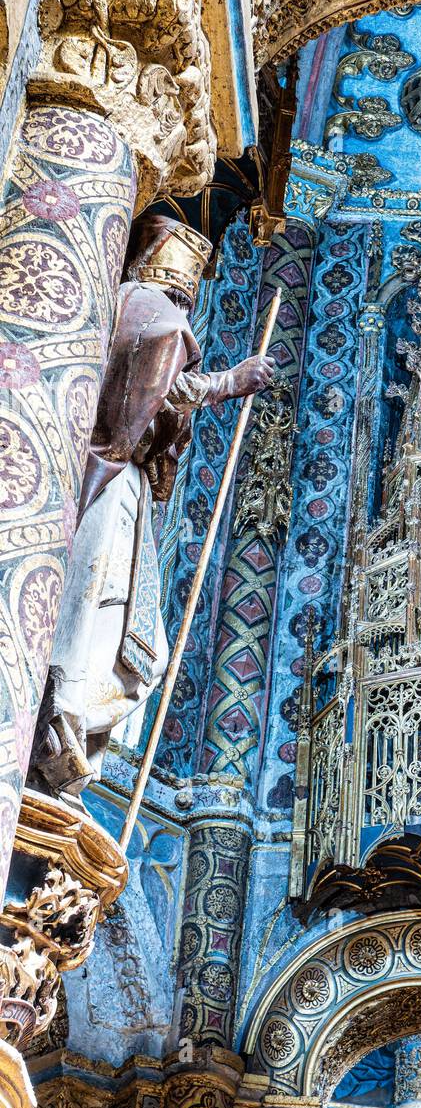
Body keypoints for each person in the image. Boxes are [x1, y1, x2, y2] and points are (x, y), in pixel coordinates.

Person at [30, 214, 274, 799]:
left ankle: (69, 735)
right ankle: (54, 719)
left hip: (128, 485)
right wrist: (228, 381)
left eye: (188, 299)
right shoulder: (138, 305)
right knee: (96, 601)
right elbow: (158, 357)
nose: (182, 312)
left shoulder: (150, 312)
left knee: (141, 646)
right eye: (179, 294)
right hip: (105, 480)